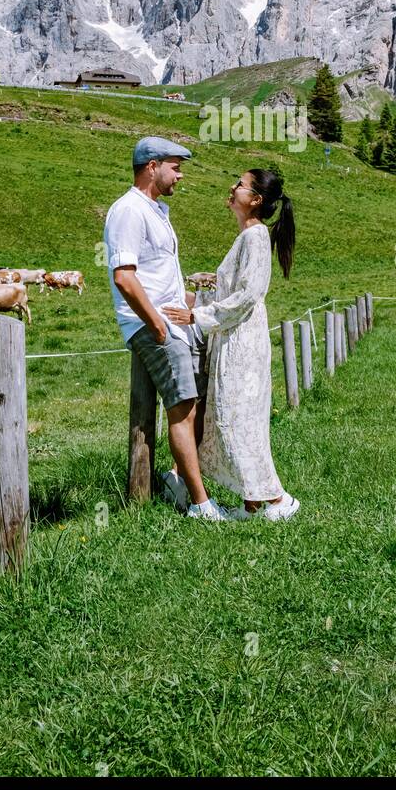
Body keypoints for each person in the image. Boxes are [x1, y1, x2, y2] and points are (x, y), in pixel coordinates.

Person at [104, 136, 229, 521]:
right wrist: (156, 324)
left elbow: (159, 273)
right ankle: (200, 503)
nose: (180, 176)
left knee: (199, 402)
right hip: (152, 324)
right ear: (151, 166)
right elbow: (124, 277)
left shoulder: (157, 211)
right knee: (183, 407)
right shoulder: (128, 210)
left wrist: (190, 306)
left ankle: (177, 478)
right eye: (175, 167)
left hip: (174, 321)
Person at [163, 168, 299, 521]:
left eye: (240, 184)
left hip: (243, 341)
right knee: (234, 418)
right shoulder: (248, 236)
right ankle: (253, 503)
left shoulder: (254, 237)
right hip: (232, 338)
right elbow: (229, 292)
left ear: (255, 200)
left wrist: (197, 317)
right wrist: (192, 300)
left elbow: (248, 296)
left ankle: (275, 499)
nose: (232, 187)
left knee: (240, 420)